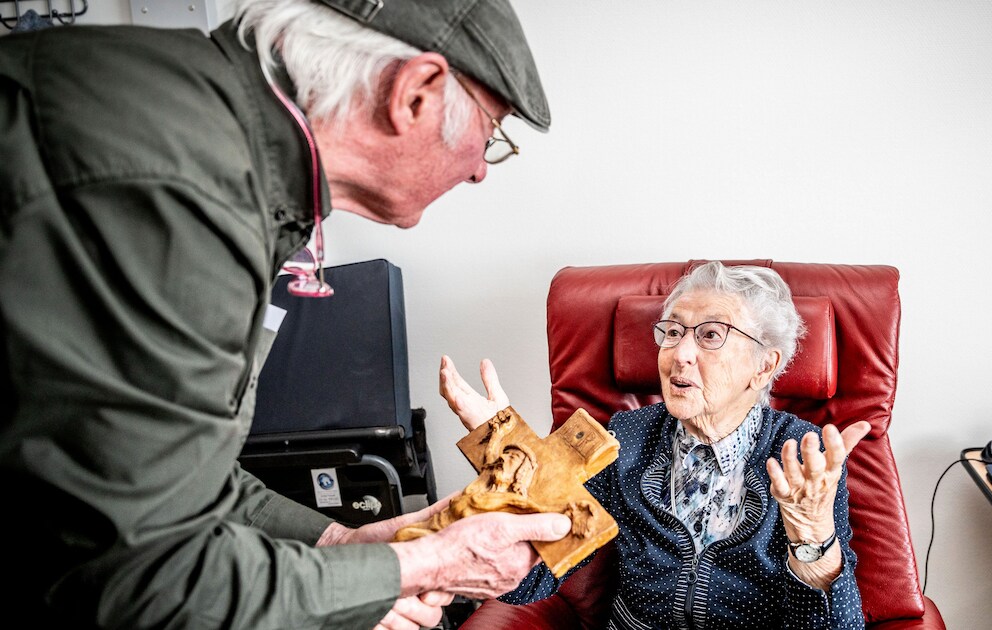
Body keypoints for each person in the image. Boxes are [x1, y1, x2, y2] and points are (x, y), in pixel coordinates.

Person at [0, 0, 571, 628]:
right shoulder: (185, 194)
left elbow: (175, 483)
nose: (478, 172)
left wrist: (341, 547)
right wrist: (420, 567)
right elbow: (149, 577)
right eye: (489, 136)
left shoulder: (220, 149)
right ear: (414, 94)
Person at [441, 261, 872, 628]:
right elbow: (526, 580)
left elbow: (838, 625)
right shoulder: (624, 436)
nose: (678, 353)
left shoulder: (805, 458)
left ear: (764, 366)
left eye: (709, 335)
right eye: (672, 332)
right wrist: (504, 451)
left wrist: (813, 539)